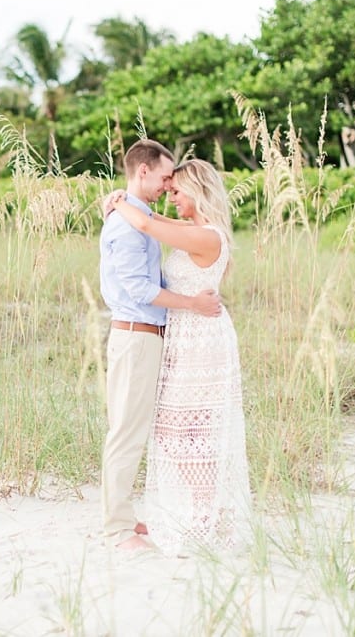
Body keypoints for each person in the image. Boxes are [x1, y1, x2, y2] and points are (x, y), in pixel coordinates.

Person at [105, 158, 250, 554]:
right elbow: (154, 220)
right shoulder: (194, 230)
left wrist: (119, 202)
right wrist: (126, 201)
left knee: (191, 431)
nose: (171, 197)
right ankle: (207, 510)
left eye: (176, 191)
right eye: (167, 190)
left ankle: (206, 512)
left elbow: (148, 225)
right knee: (175, 433)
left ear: (197, 191)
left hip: (201, 339)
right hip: (182, 337)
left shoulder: (207, 237)